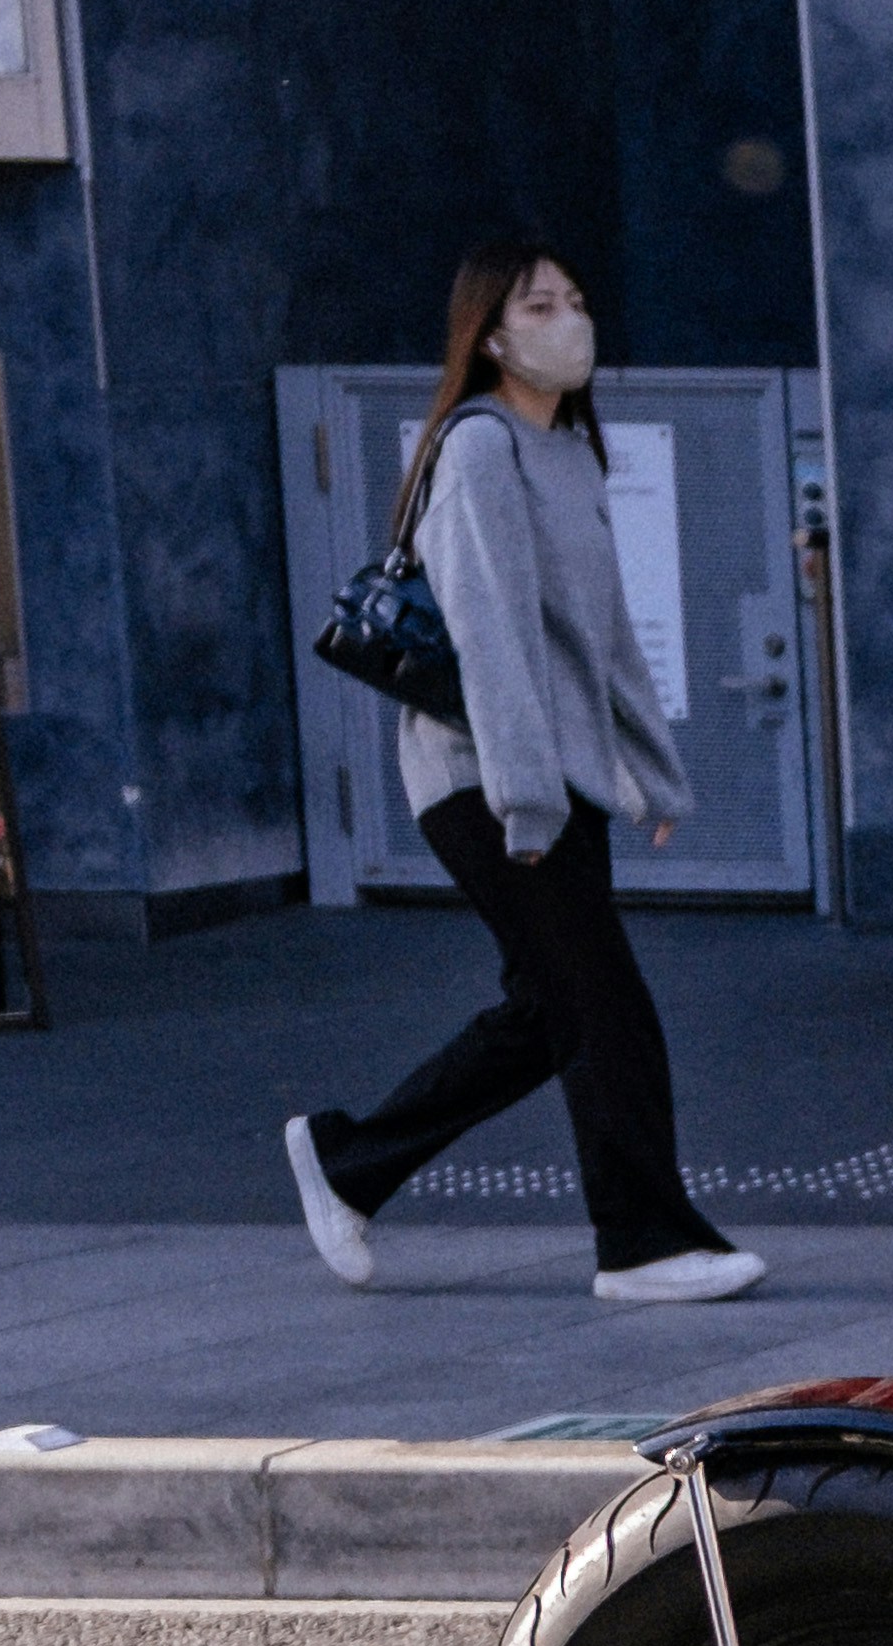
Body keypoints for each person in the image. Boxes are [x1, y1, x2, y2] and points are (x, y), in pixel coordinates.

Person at [283, 239, 763, 1306]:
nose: (568, 321)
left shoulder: (569, 455)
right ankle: (642, 1245)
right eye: (539, 306)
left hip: (548, 780)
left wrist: (649, 777)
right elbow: (490, 635)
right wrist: (529, 801)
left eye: (575, 301)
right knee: (608, 1007)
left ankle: (349, 1162)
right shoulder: (479, 448)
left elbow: (606, 639)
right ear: (491, 338)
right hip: (483, 781)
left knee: (550, 1010)